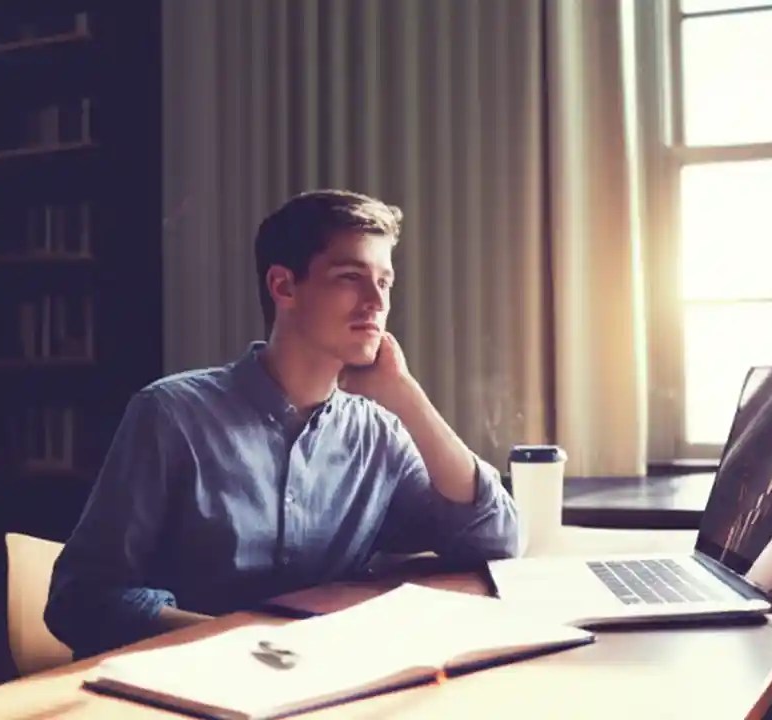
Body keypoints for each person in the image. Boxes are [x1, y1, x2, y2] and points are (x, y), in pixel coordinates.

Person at [45, 190, 520, 659]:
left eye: (385, 282)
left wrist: (405, 395)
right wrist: (249, 643)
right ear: (284, 286)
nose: (376, 301)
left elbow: (494, 538)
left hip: (320, 687)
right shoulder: (170, 416)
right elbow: (82, 599)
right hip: (182, 683)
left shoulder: (379, 435)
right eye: (351, 277)